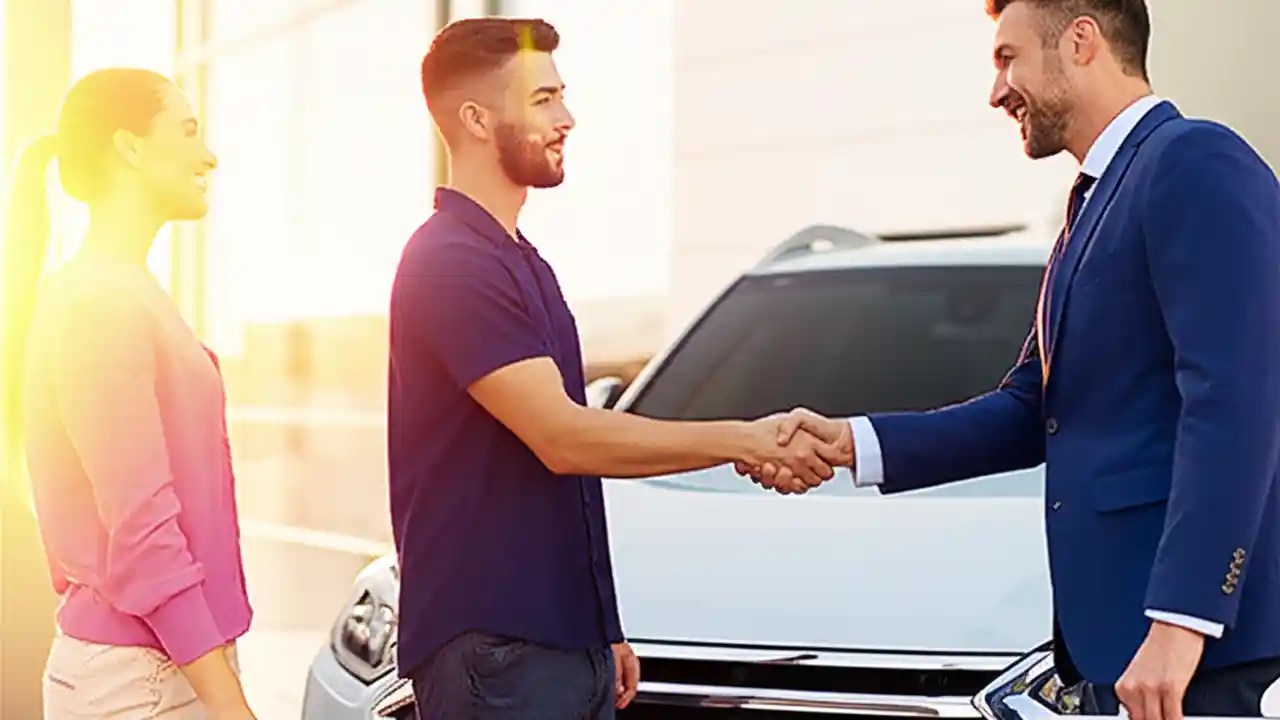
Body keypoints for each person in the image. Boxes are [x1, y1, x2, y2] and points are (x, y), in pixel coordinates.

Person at [745, 1, 1280, 719]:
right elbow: (1033, 408)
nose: (997, 92)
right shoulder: (1089, 206)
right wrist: (852, 442)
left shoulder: (1192, 161)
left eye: (1008, 59)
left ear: (1082, 41)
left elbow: (1240, 398)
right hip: (1115, 649)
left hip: (1194, 657)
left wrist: (1183, 620)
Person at [389, 17, 846, 719]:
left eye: (561, 96)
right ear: (477, 119)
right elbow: (565, 439)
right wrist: (744, 439)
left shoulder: (520, 261)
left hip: (556, 644)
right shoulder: (450, 262)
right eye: (543, 99)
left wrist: (600, 625)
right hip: (497, 649)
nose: (566, 118)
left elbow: (556, 476)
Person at [1, 68, 256, 719]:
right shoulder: (98, 305)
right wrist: (231, 706)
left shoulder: (124, 289)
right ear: (130, 147)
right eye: (188, 131)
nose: (209, 155)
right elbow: (143, 533)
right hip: (142, 683)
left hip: (165, 670)